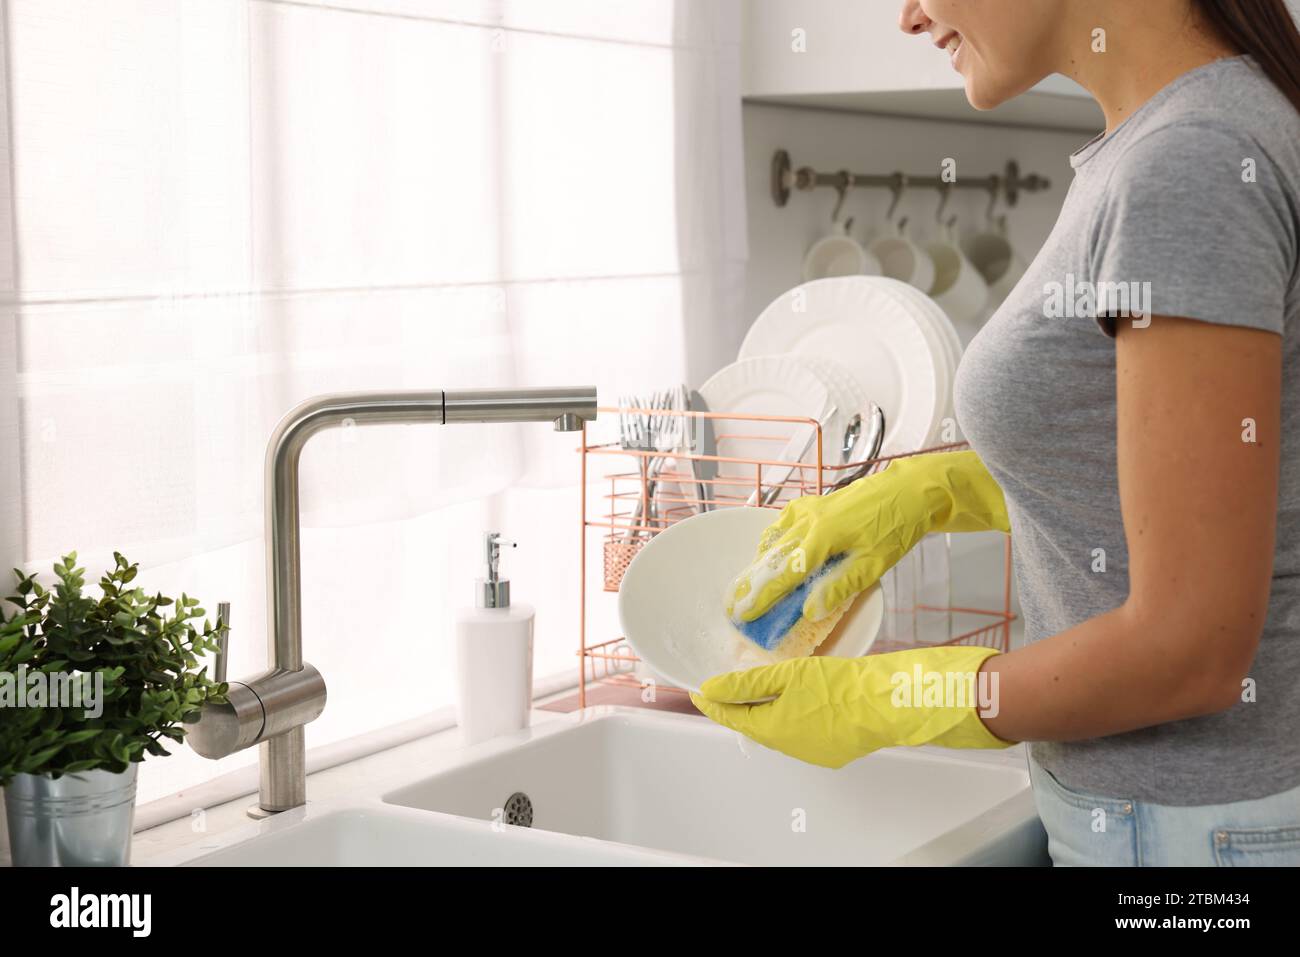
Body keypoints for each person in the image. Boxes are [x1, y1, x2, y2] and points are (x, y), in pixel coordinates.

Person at [691, 0, 1300, 866]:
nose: (908, 16)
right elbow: (1181, 468)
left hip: (1195, 838)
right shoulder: (1186, 135)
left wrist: (894, 695)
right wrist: (929, 491)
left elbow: (1191, 650)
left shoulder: (1187, 162)